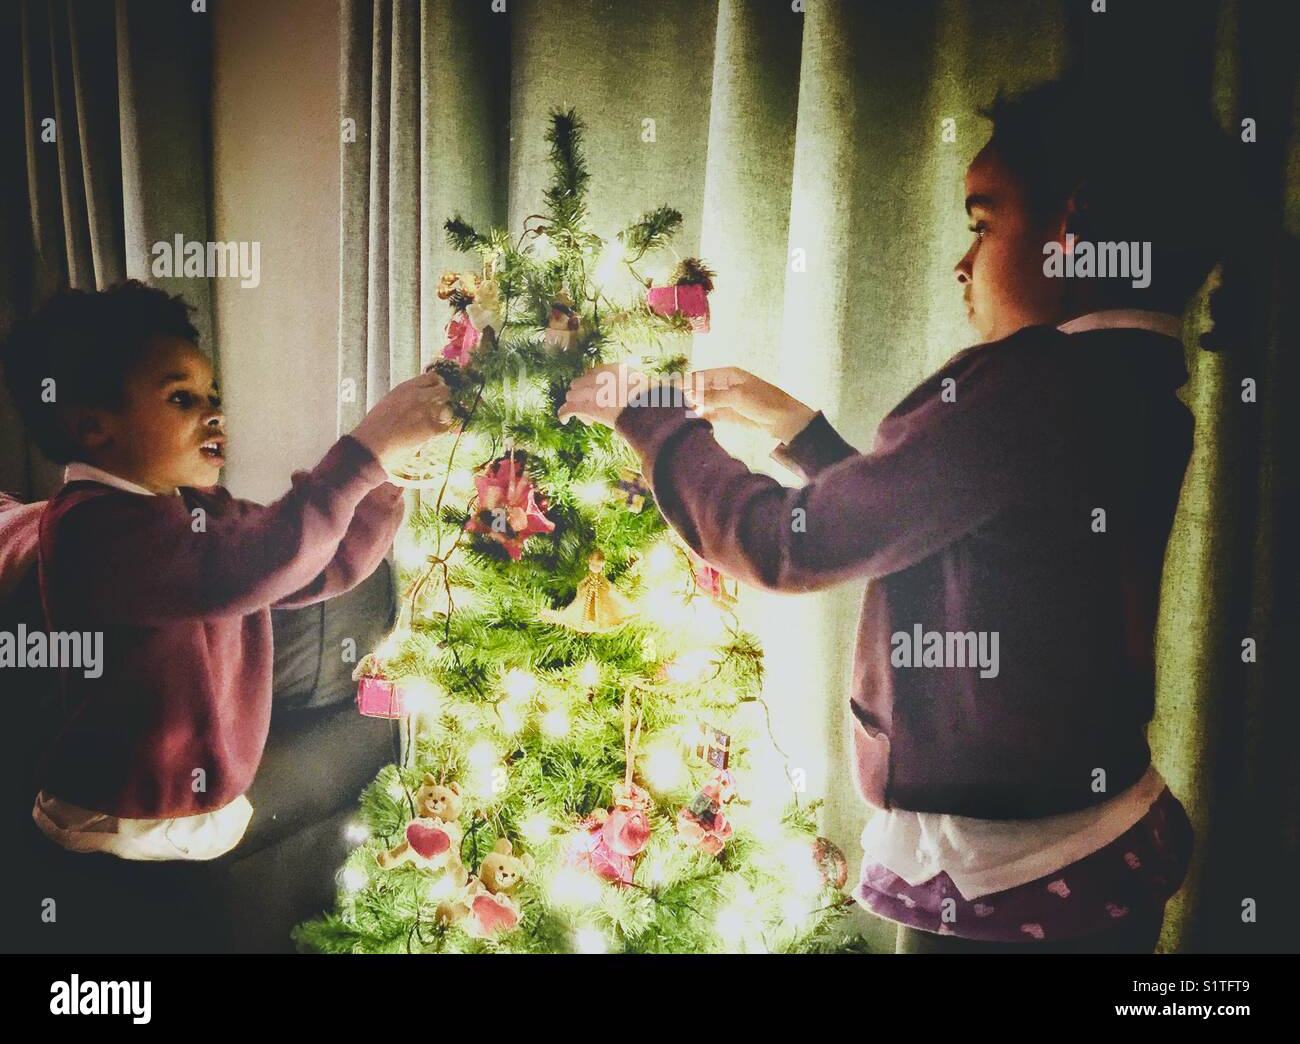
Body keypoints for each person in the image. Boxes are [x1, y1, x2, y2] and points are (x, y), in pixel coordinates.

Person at [559, 74, 1251, 953]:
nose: (964, 265)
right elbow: (960, 532)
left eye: (982, 221)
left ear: (1071, 229)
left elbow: (782, 546)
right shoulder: (1139, 389)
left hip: (1002, 871)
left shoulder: (1017, 389)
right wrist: (803, 435)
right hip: (1101, 841)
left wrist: (648, 419)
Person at [0, 280, 451, 951]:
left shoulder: (193, 513)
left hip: (194, 810)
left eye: (214, 398)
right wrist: (363, 454)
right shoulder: (92, 528)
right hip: (115, 819)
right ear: (95, 425)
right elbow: (262, 558)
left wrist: (384, 484)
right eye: (182, 397)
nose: (213, 415)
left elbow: (313, 569)